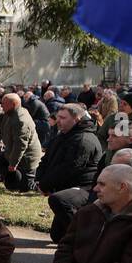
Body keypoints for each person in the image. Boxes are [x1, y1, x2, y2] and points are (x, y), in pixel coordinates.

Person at [39, 103, 104, 240]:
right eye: (58, 117)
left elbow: (70, 169)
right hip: (66, 185)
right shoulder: (62, 135)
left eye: (63, 118)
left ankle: (86, 237)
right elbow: (47, 159)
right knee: (57, 236)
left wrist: (46, 185)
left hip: (85, 188)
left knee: (59, 200)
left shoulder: (83, 140)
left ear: (76, 119)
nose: (58, 121)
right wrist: (40, 180)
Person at [0, 92, 42, 191]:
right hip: (13, 152)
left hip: (26, 158)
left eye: (4, 103)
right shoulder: (11, 113)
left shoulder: (20, 120)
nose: (1, 105)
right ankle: (12, 179)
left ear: (13, 105)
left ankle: (20, 179)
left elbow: (20, 145)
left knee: (26, 187)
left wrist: (13, 164)